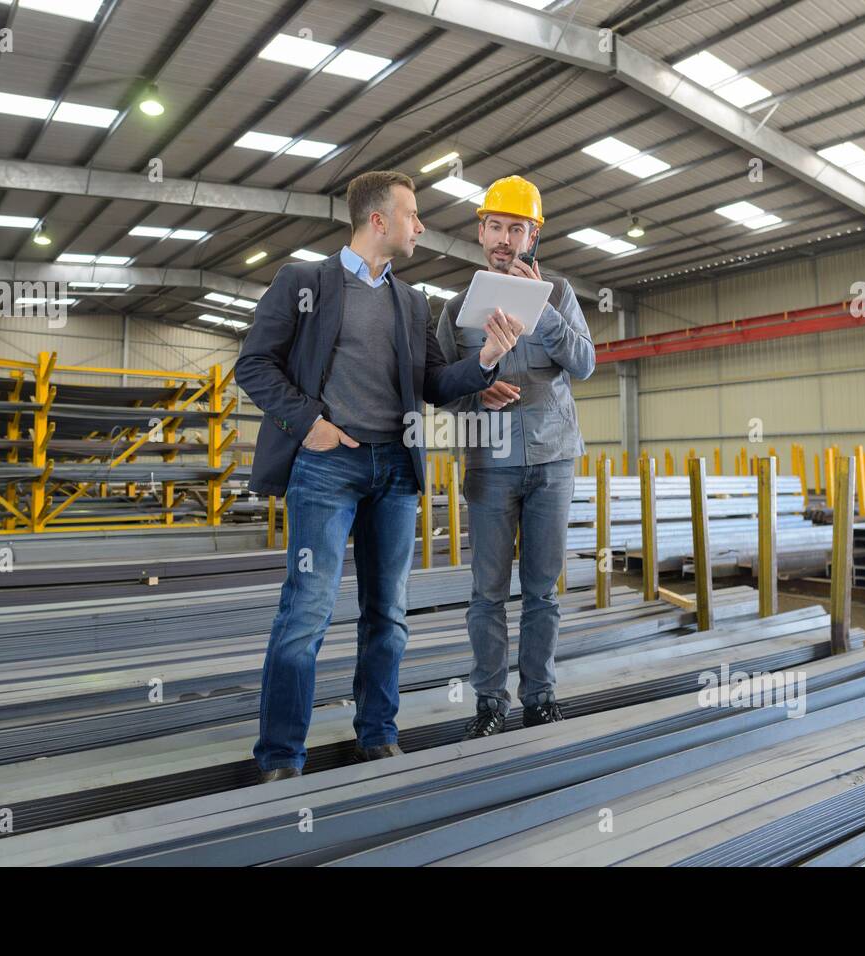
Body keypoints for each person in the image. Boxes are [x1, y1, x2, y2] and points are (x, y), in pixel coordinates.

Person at [235, 170, 524, 783]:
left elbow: (435, 384)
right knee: (307, 612)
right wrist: (307, 422)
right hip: (326, 464)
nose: (421, 226)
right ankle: (282, 755)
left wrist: (486, 361)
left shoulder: (410, 300)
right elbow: (254, 364)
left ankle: (377, 733)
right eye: (413, 214)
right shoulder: (303, 282)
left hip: (394, 468)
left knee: (388, 612)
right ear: (378, 221)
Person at [436, 175, 595, 739]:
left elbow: (585, 364)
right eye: (496, 226)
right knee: (486, 591)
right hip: (490, 462)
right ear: (481, 230)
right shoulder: (456, 308)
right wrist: (476, 391)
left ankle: (540, 695)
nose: (506, 238)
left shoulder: (559, 293)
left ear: (534, 235)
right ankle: (488, 702)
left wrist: (546, 315)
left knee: (543, 588)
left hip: (552, 457)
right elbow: (439, 388)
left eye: (518, 228)